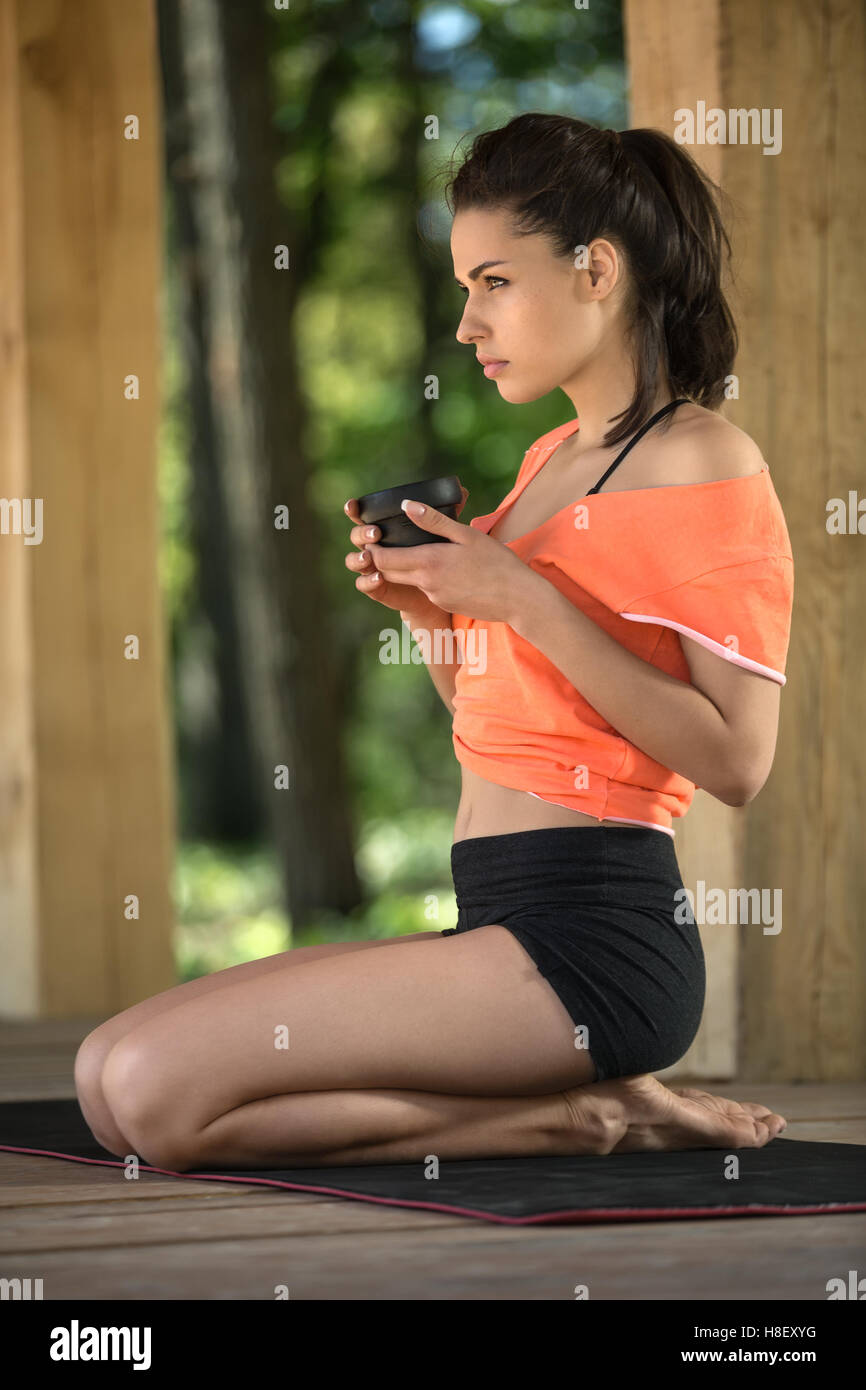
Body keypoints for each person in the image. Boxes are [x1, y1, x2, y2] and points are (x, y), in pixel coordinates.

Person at [75, 115, 791, 1173]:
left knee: (157, 1097)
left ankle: (582, 1115)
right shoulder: (552, 457)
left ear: (595, 270)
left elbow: (736, 760)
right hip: (497, 918)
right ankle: (593, 1104)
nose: (468, 323)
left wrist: (524, 597)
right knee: (102, 1075)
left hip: (593, 941)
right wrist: (432, 615)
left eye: (492, 282)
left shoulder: (702, 459)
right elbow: (509, 724)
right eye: (464, 288)